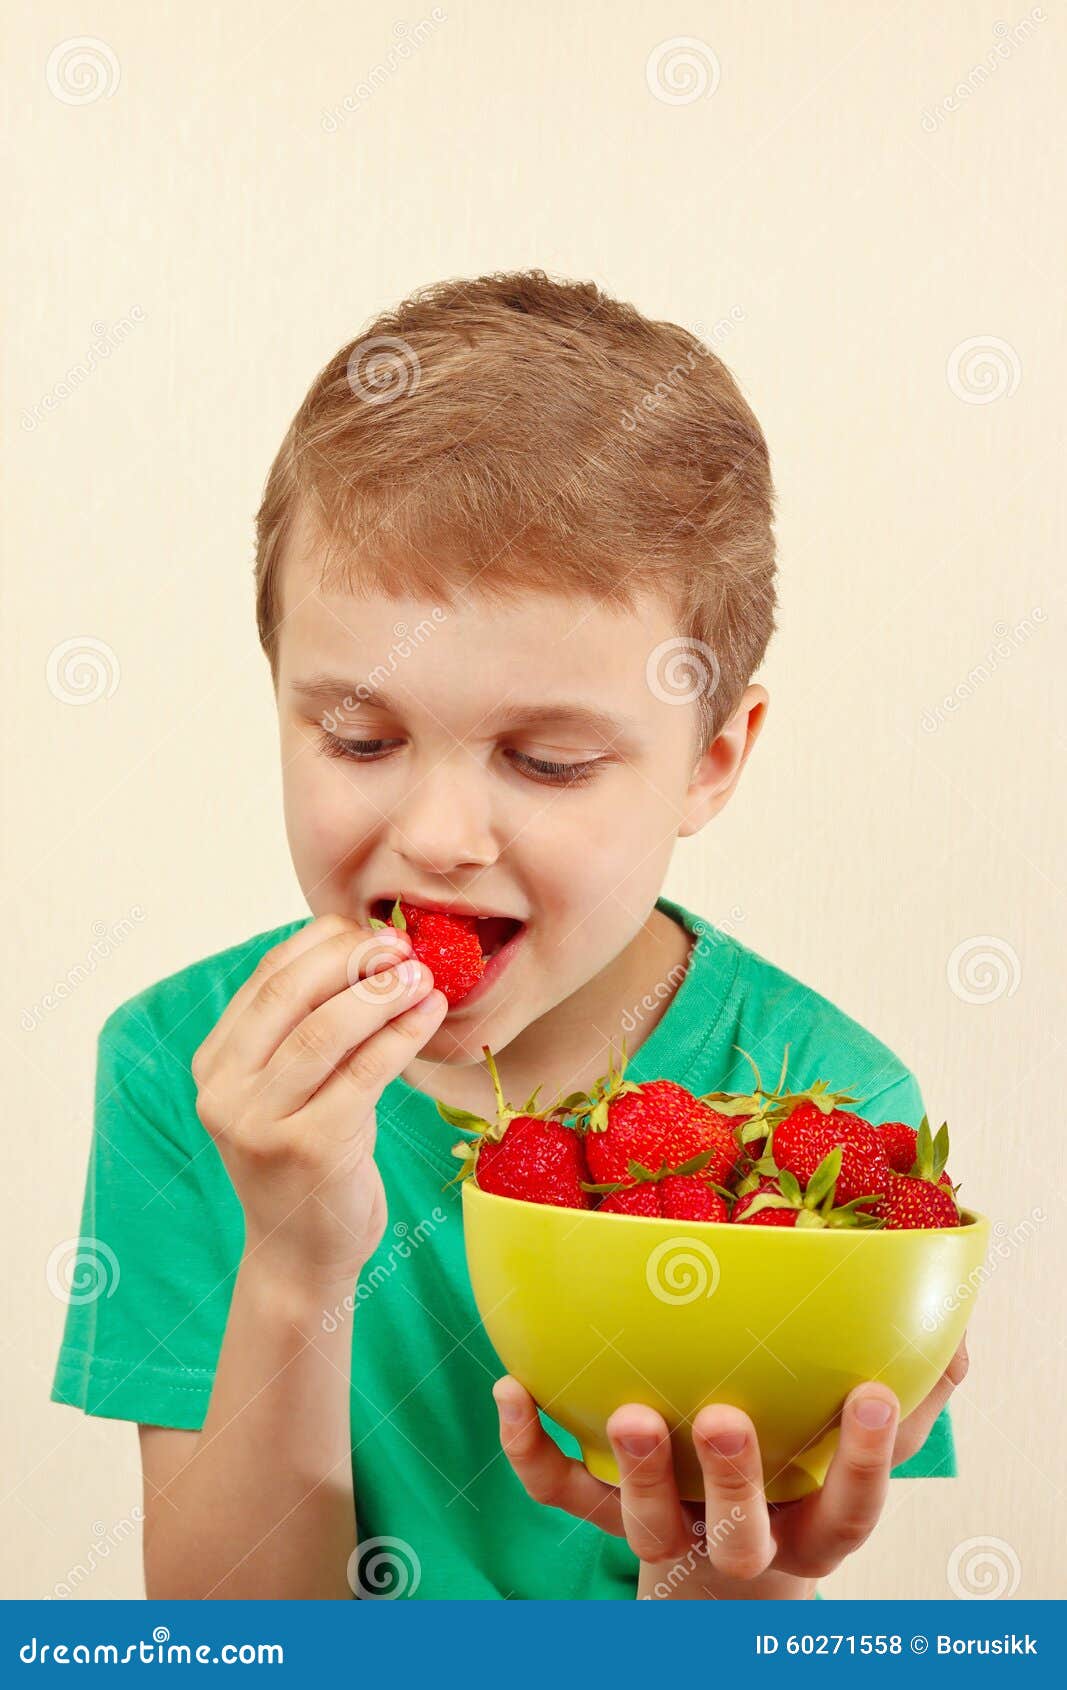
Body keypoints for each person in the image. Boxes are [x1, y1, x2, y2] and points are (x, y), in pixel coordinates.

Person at [51, 270, 969, 1600]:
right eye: (360, 737)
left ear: (712, 761)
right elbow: (235, 1645)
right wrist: (296, 1254)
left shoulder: (826, 1114)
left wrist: (721, 1576)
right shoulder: (185, 1072)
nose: (439, 832)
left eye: (544, 761)